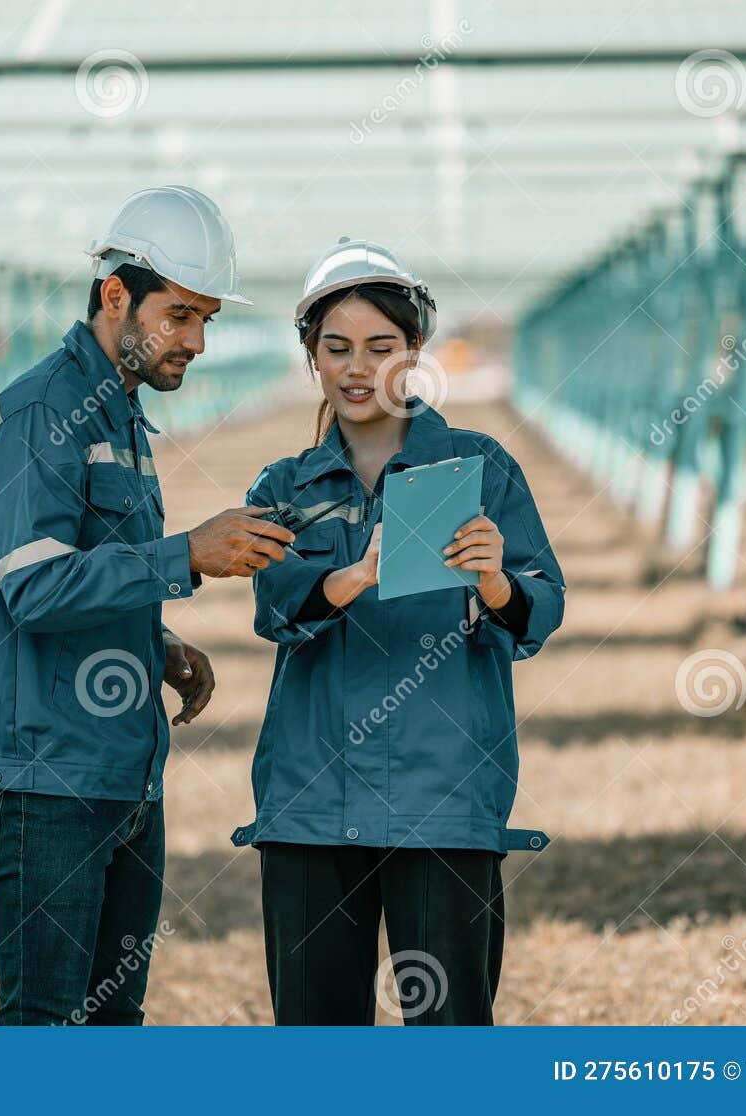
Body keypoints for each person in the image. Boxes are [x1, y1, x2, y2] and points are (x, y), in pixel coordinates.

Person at [0, 185, 297, 1025]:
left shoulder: (120, 414)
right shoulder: (40, 415)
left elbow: (90, 568)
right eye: (180, 316)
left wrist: (158, 643)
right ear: (115, 297)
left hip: (123, 769)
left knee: (112, 1026)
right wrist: (188, 555)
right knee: (48, 1027)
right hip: (48, 773)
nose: (198, 342)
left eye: (206, 318)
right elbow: (32, 588)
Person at [231, 238, 566, 1025]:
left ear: (416, 351)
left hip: (443, 798)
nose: (358, 369)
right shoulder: (285, 487)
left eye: (381, 347)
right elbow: (275, 608)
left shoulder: (481, 469)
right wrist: (358, 575)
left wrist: (494, 580)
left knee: (450, 1039)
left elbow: (540, 607)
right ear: (311, 356)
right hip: (311, 805)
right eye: (336, 348)